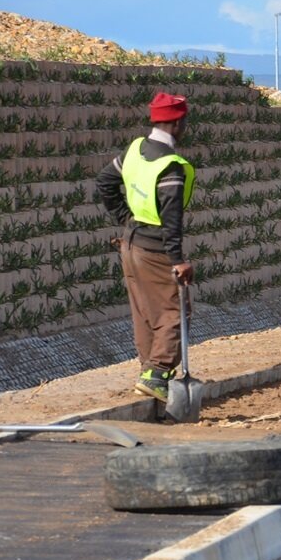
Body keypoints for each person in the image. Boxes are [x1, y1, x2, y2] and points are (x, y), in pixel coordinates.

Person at [96, 92, 196, 402]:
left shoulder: (135, 150)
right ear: (178, 123)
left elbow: (104, 182)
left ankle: (149, 372)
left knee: (144, 312)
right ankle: (157, 373)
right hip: (155, 250)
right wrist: (178, 260)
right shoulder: (170, 166)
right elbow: (171, 218)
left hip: (130, 243)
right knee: (175, 312)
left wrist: (126, 218)